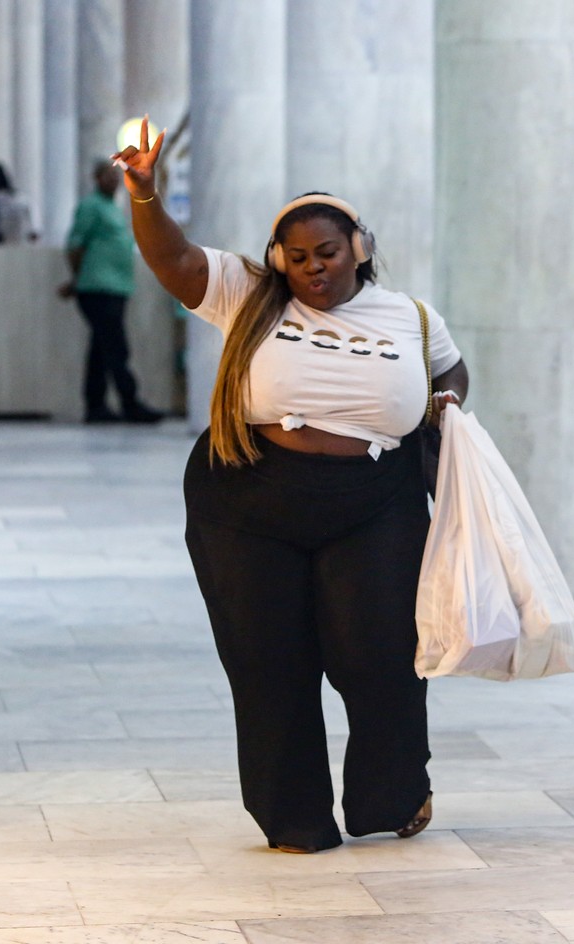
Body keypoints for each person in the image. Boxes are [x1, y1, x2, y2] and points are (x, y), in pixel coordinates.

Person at [115, 118, 469, 852]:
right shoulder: (248, 292)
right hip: (250, 502)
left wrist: (449, 401)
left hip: (375, 503)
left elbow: (450, 369)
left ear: (359, 250)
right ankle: (295, 819)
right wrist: (145, 196)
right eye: (299, 256)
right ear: (279, 259)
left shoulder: (409, 315)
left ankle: (394, 795)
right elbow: (175, 260)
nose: (314, 268)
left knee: (380, 657)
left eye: (329, 253)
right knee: (267, 663)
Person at [58, 160, 164, 424]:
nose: (113, 180)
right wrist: (75, 278)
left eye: (115, 175)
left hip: (115, 288)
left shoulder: (112, 208)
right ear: (96, 178)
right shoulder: (91, 206)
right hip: (98, 289)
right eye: (107, 175)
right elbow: (75, 245)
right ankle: (130, 403)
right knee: (116, 348)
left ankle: (96, 406)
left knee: (101, 349)